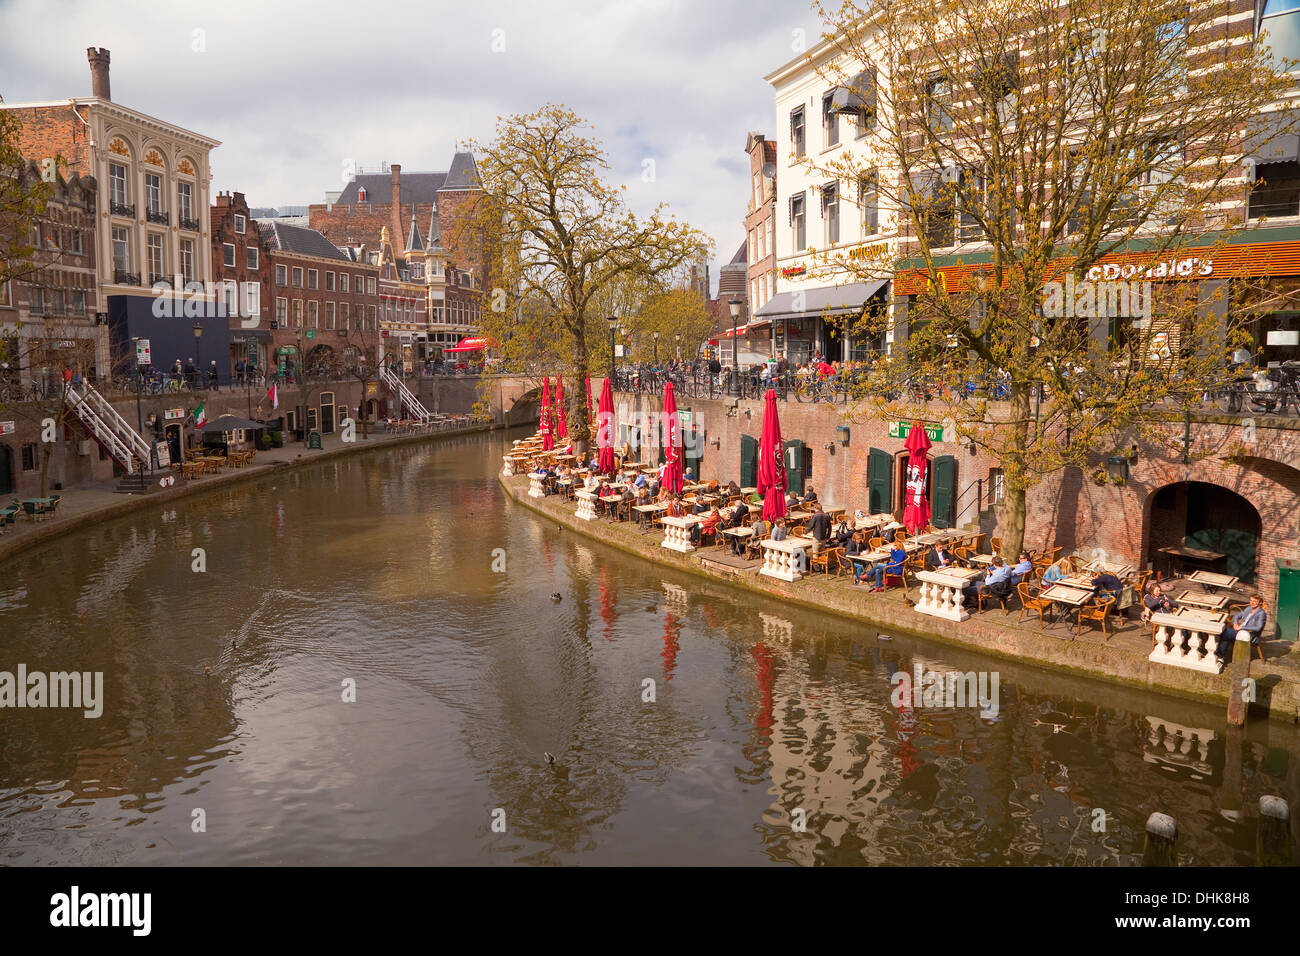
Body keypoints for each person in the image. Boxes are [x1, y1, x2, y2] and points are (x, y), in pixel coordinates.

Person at [1221, 595, 1268, 660]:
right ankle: (1220, 653)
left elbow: (1258, 628)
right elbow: (1237, 615)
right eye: (1251, 600)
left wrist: (1242, 627)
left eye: (1254, 601)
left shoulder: (1261, 613)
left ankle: (1220, 655)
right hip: (1240, 630)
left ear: (1260, 603)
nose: (1252, 603)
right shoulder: (1249, 608)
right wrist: (1235, 623)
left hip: (1250, 634)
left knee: (1226, 633)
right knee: (1223, 630)